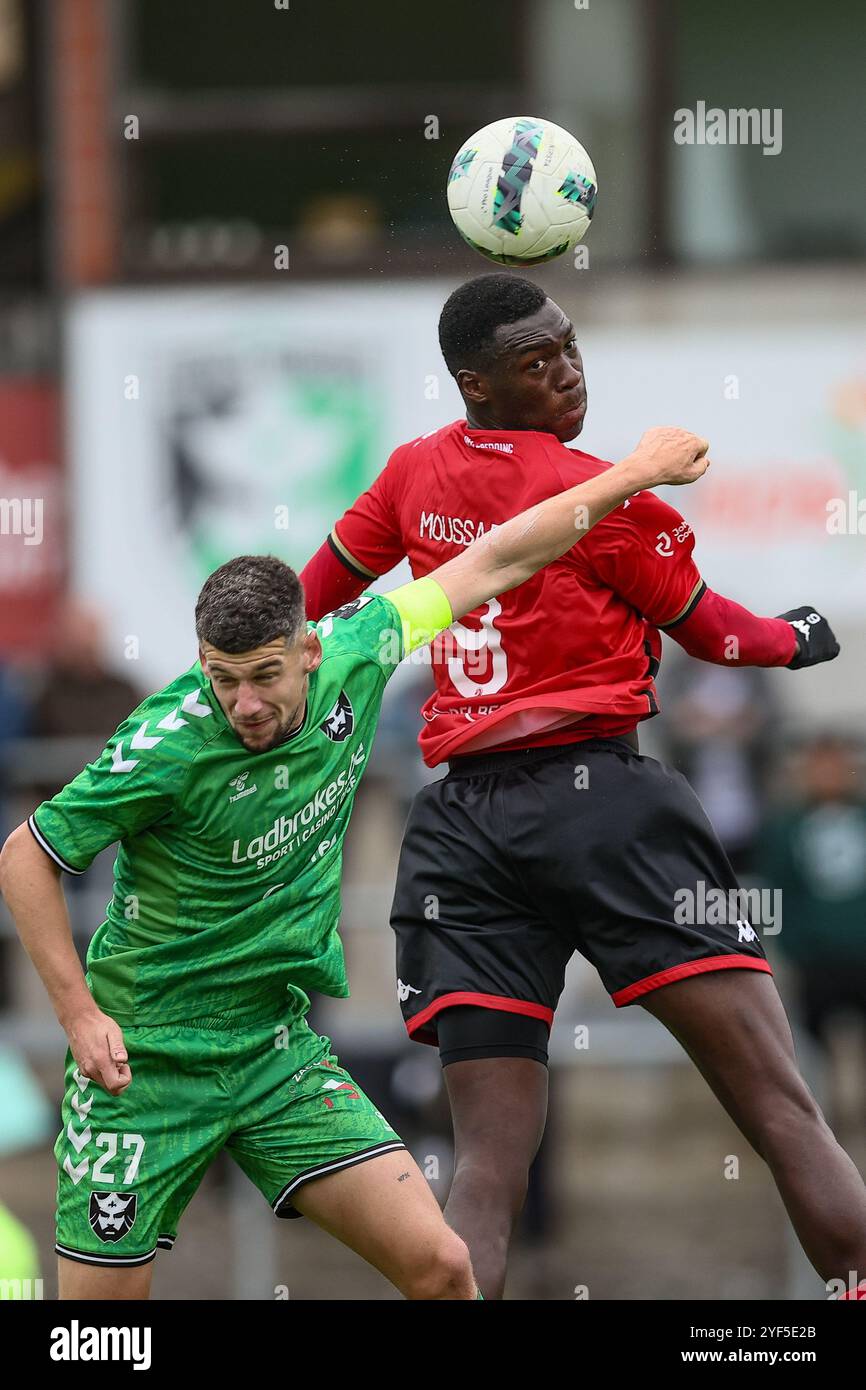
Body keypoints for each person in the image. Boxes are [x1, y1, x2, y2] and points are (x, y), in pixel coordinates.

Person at [0, 422, 708, 1300]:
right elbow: (24, 855)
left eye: (264, 674)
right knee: (103, 1335)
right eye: (223, 679)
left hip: (274, 1049)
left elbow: (496, 557)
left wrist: (632, 474)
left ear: (308, 649)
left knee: (444, 1269)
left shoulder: (362, 645)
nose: (244, 704)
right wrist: (76, 1017)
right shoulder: (163, 748)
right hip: (143, 1064)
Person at [300, 272, 866, 1301]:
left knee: (484, 1163)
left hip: (460, 832)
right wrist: (798, 639)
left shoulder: (410, 476)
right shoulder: (599, 498)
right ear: (476, 383)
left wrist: (249, 672)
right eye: (536, 363)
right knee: (783, 1108)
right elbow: (711, 631)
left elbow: (312, 596)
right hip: (599, 804)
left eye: (567, 347)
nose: (567, 373)